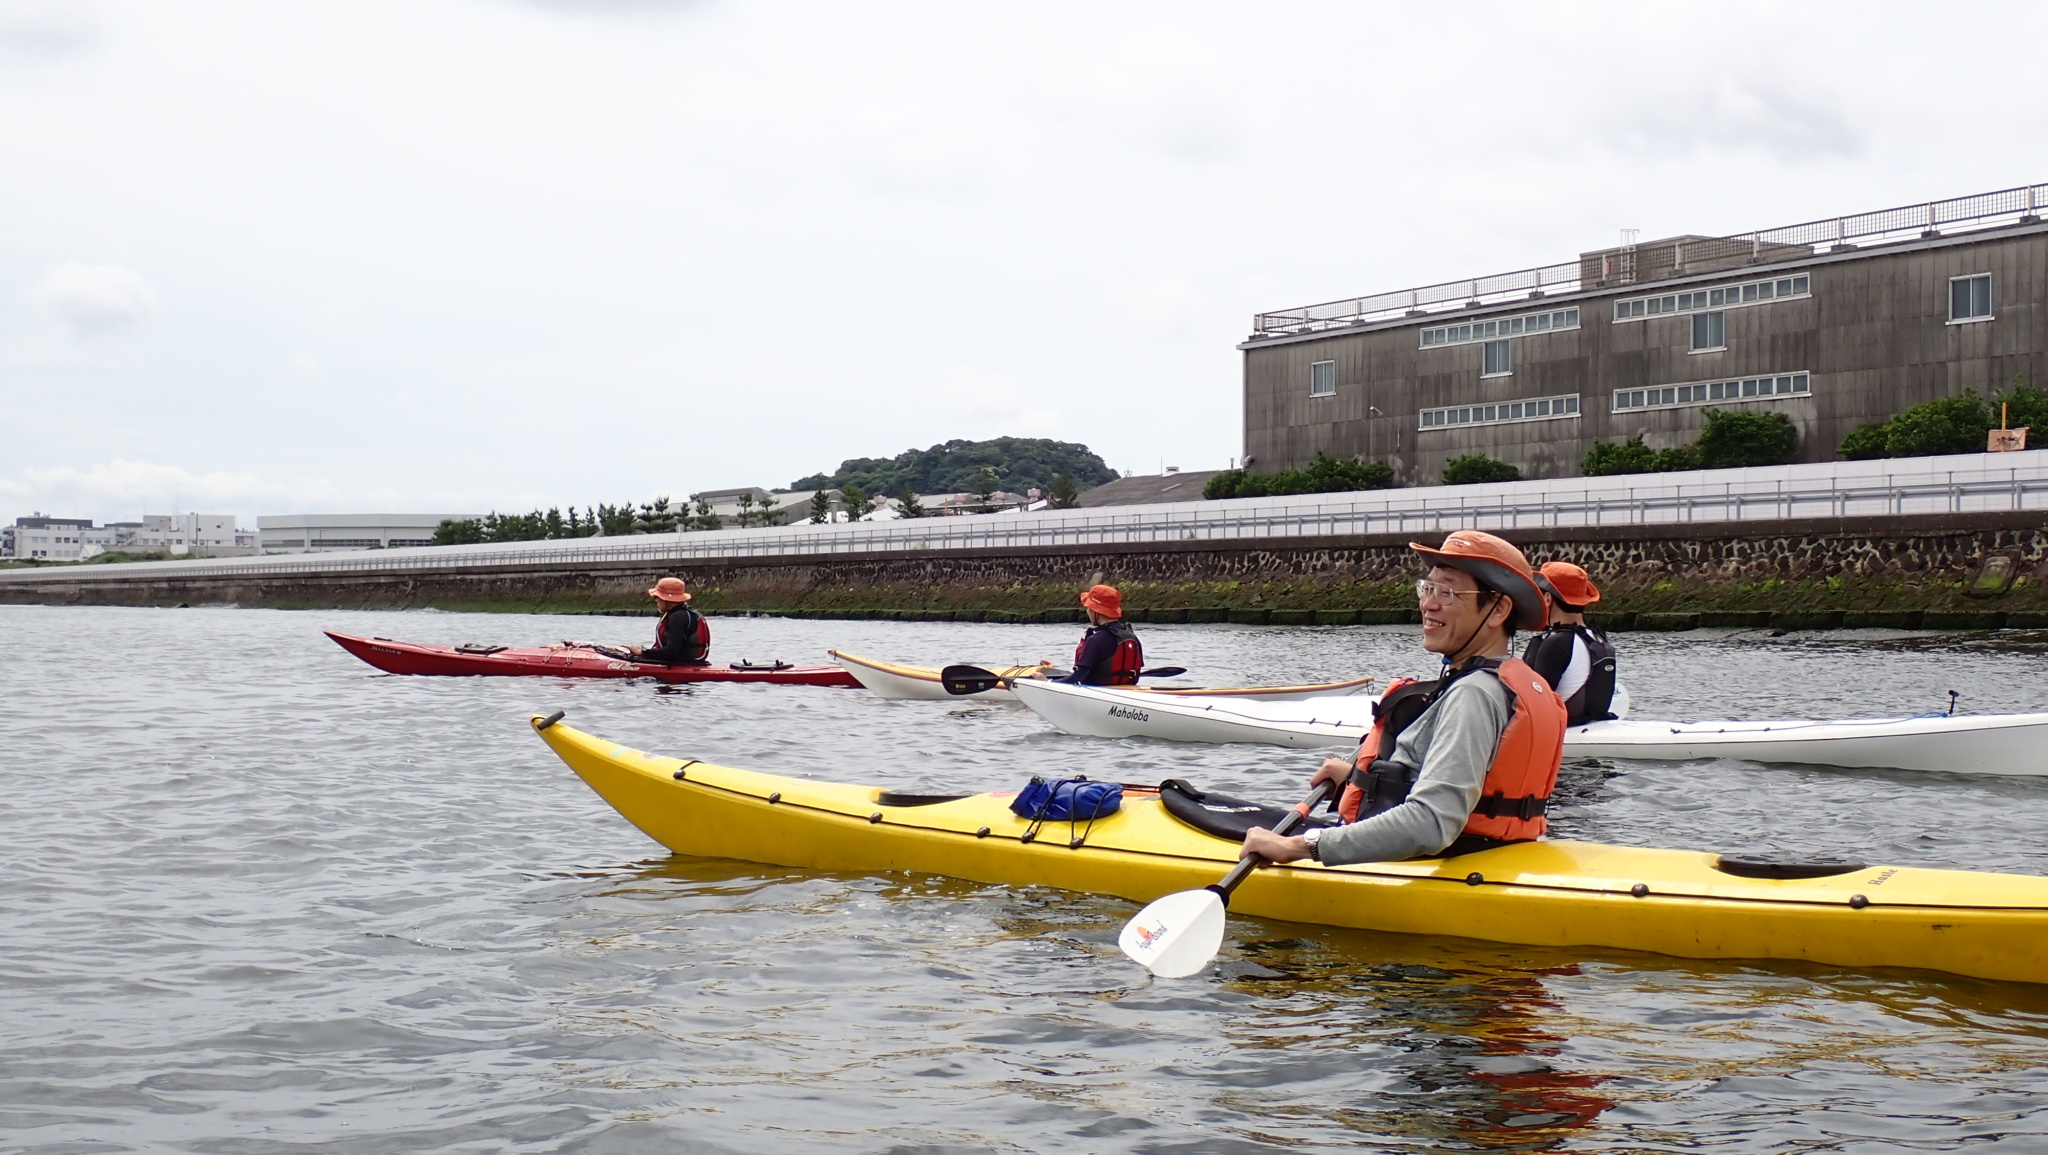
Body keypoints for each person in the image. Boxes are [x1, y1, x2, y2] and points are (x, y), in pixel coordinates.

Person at [1240, 530, 1566, 867]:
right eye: (1427, 589)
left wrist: (1299, 847)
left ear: (1497, 610)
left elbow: (1432, 823)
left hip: (1452, 862)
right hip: (1493, 855)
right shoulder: (1509, 683)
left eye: (1448, 592)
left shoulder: (1474, 694)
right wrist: (1357, 777)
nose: (1428, 604)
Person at [1521, 562, 1618, 726]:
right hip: (1594, 724)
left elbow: (1531, 703)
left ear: (1547, 598)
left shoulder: (1556, 642)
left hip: (1565, 731)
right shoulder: (1598, 638)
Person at [1039, 584, 1143, 686]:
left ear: (1095, 611)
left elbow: (1078, 677)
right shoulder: (1131, 636)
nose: (1087, 611)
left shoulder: (1095, 640)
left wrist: (1047, 683)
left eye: (1089, 608)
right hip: (1126, 690)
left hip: (1097, 692)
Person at [626, 576, 711, 665]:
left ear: (668, 600)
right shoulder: (682, 614)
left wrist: (642, 653)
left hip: (682, 666)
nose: (656, 600)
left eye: (657, 597)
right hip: (686, 663)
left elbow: (672, 652)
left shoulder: (678, 617)